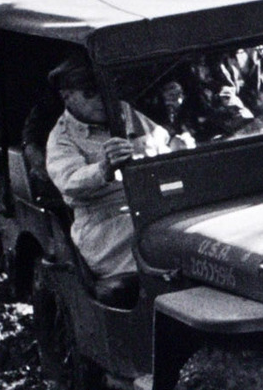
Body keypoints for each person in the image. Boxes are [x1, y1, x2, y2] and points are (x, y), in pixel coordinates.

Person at [42, 56, 176, 296]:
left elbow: (159, 138)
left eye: (107, 90)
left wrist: (177, 145)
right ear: (68, 97)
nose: (104, 100)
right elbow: (69, 182)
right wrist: (104, 168)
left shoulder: (122, 111)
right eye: (91, 93)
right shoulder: (62, 138)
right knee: (163, 241)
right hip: (105, 223)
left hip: (150, 203)